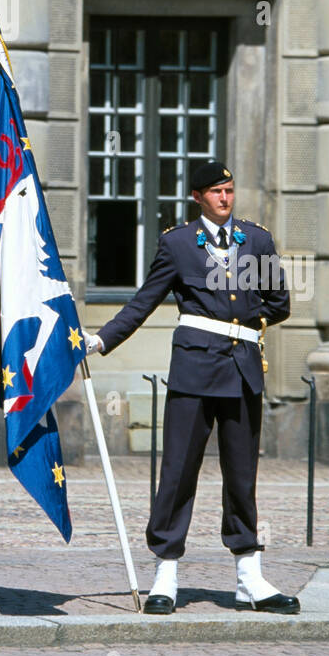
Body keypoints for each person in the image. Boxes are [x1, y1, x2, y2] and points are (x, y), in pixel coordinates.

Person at [85, 160, 299, 616]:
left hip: (242, 368)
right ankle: (166, 573)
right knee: (178, 473)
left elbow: (279, 302)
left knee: (242, 476)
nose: (225, 198)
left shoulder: (256, 239)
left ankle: (249, 578)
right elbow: (144, 301)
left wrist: (241, 323)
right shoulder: (178, 243)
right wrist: (101, 339)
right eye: (217, 191)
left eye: (230, 189)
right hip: (195, 371)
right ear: (197, 197)